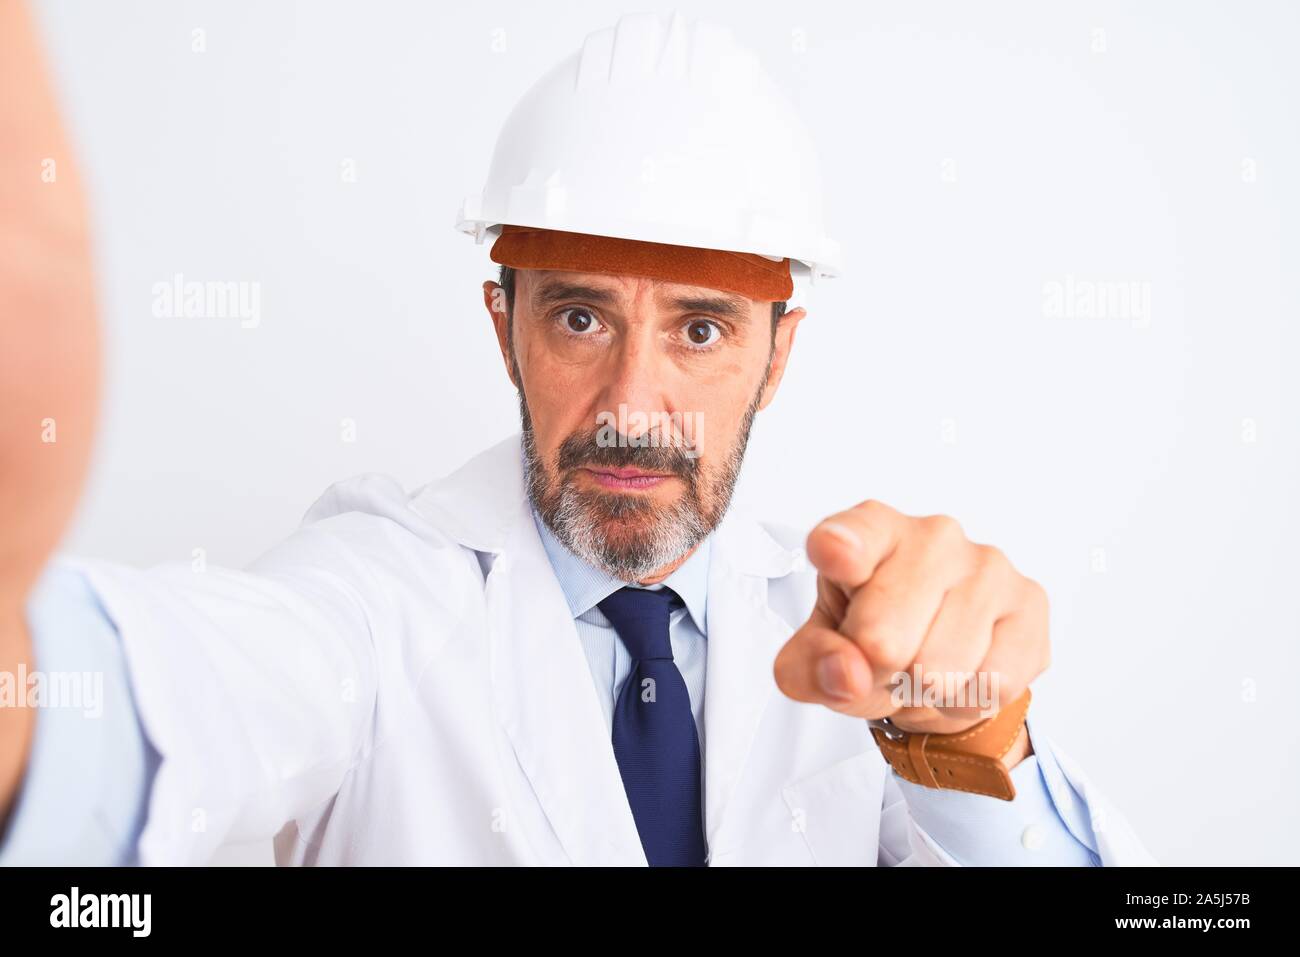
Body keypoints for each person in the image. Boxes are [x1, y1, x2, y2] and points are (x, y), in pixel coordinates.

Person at [0, 8, 1153, 866]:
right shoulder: (375, 596)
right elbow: (200, 691)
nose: (630, 404)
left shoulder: (859, 641)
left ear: (778, 353)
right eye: (580, 315)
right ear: (505, 328)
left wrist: (968, 743)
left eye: (699, 328)